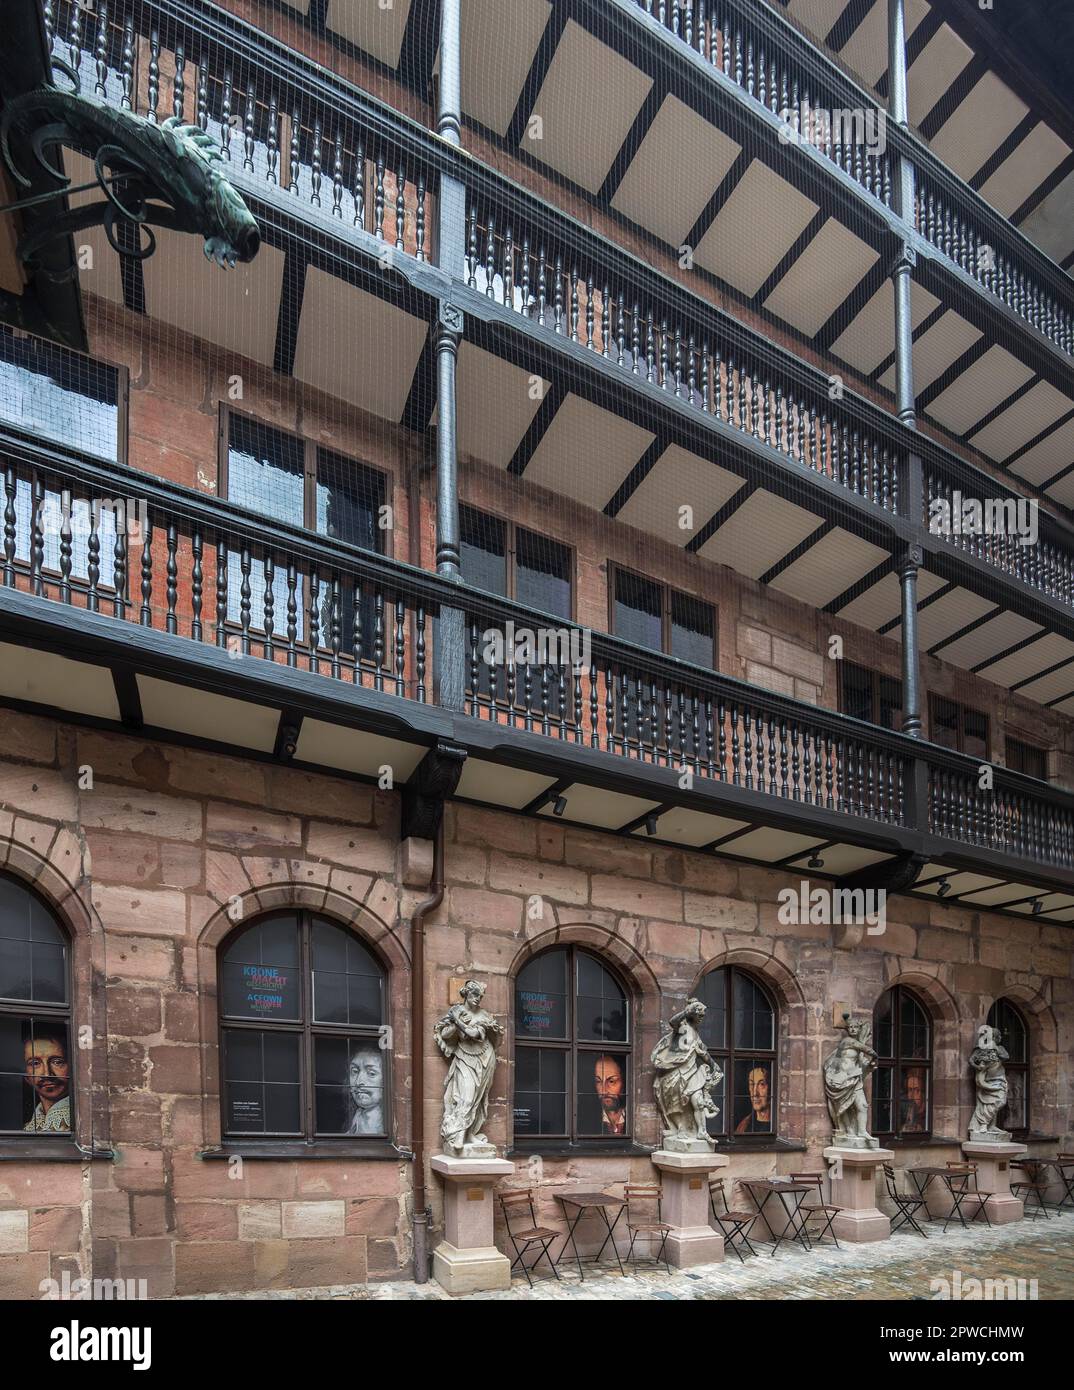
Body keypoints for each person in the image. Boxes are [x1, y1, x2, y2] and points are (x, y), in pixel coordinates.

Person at [23, 1026, 71, 1133]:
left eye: (57, 1062)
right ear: (27, 1076)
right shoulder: (29, 1128)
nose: (47, 1074)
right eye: (35, 1063)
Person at [346, 1047, 384, 1135]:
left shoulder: (386, 1121)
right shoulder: (358, 1116)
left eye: (371, 1073)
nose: (359, 1082)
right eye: (355, 1071)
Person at [594, 1053, 627, 1136]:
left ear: (624, 1081)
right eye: (598, 1081)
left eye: (611, 1081)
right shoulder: (585, 1118)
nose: (604, 1091)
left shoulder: (636, 1116)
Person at [734, 1064, 771, 1134]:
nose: (755, 1093)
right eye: (752, 1084)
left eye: (762, 1084)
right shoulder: (744, 1125)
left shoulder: (780, 1124)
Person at [900, 1067, 927, 1132]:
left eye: (916, 1090)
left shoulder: (928, 1113)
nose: (912, 1095)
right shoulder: (905, 1109)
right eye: (910, 1090)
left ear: (923, 1093)